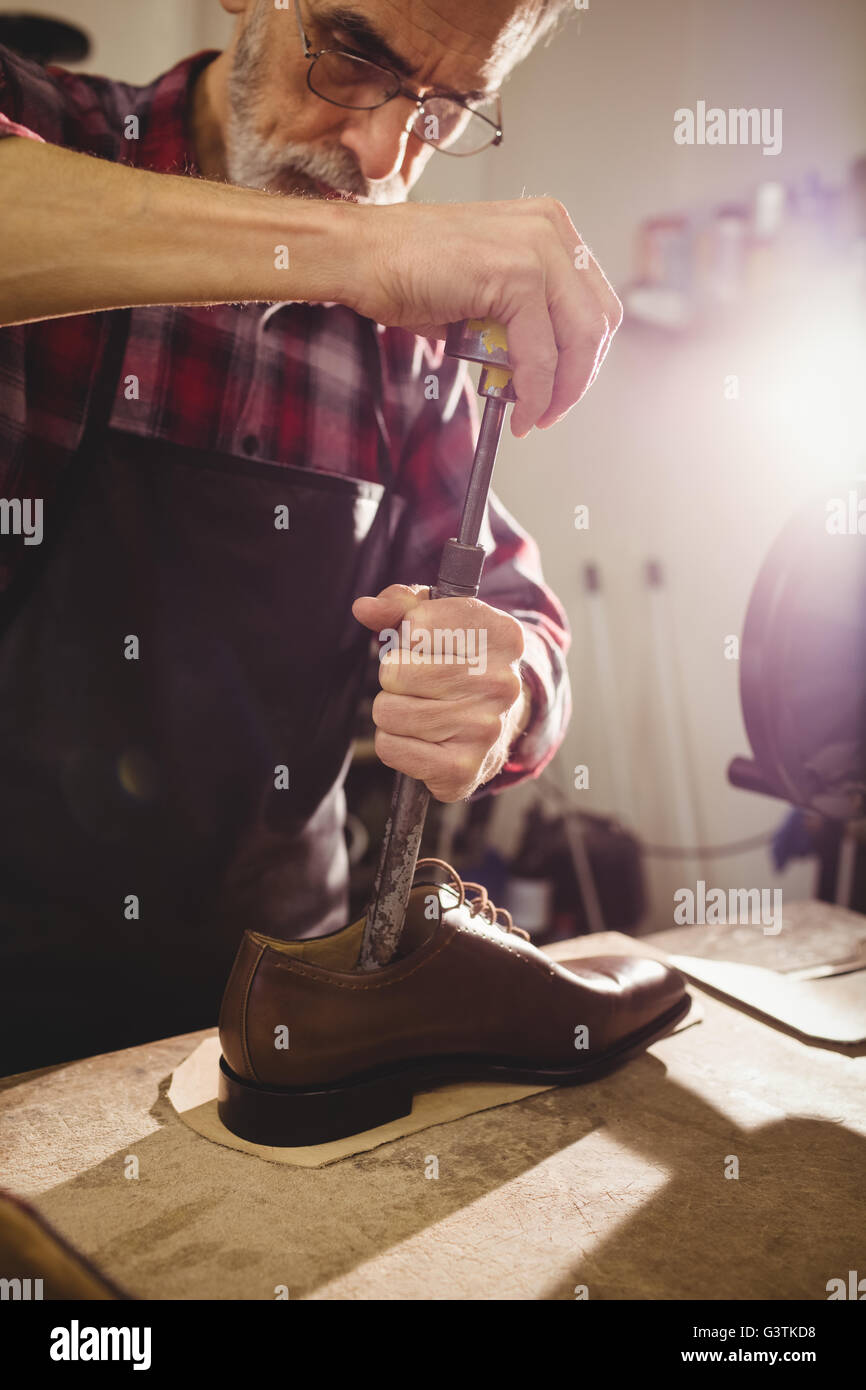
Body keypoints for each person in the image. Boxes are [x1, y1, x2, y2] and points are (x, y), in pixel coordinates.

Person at [0, 0, 622, 1074]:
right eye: (349, 53)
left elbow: (523, 627)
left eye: (441, 113)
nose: (383, 153)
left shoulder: (406, 355)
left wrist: (496, 685)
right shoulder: (42, 132)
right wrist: (346, 249)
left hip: (276, 1021)